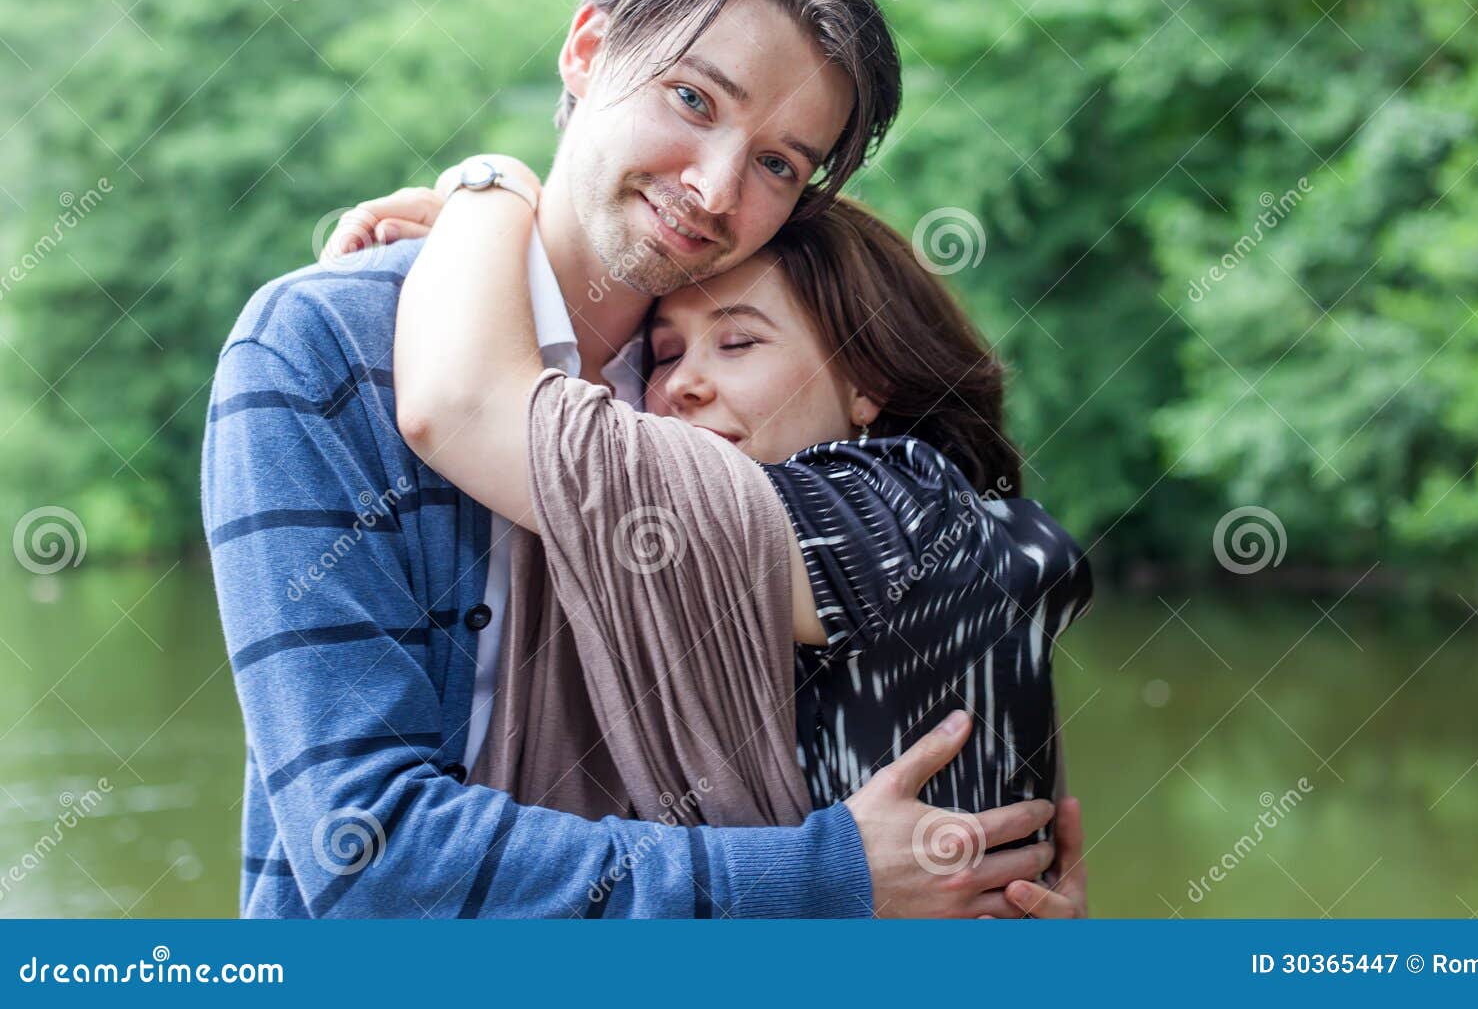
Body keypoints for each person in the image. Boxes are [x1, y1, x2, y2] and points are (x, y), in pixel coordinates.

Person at [203, 0, 1082, 918]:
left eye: (778, 164)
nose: (713, 189)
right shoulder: (326, 347)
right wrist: (824, 877)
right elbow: (372, 865)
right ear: (586, 50)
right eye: (694, 100)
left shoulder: (737, 418)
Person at [379, 162, 1094, 916]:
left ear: (868, 383)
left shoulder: (896, 513)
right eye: (665, 355)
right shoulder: (863, 547)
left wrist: (489, 192)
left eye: (738, 342)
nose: (681, 384)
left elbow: (460, 406)